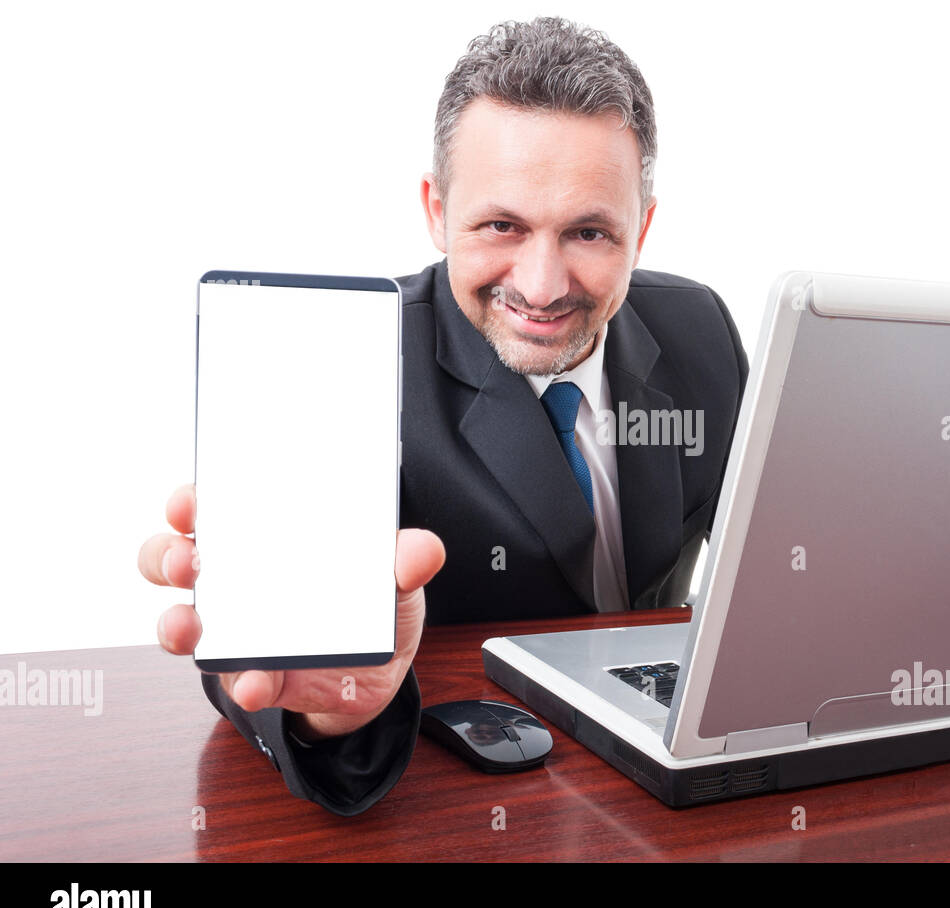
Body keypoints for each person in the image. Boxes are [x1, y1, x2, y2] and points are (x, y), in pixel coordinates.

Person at [138, 16, 748, 815]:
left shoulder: (699, 326)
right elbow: (269, 652)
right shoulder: (348, 365)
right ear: (434, 210)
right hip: (478, 805)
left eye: (590, 231)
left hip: (678, 785)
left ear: (643, 229)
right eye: (502, 225)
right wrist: (332, 708)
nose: (540, 283)